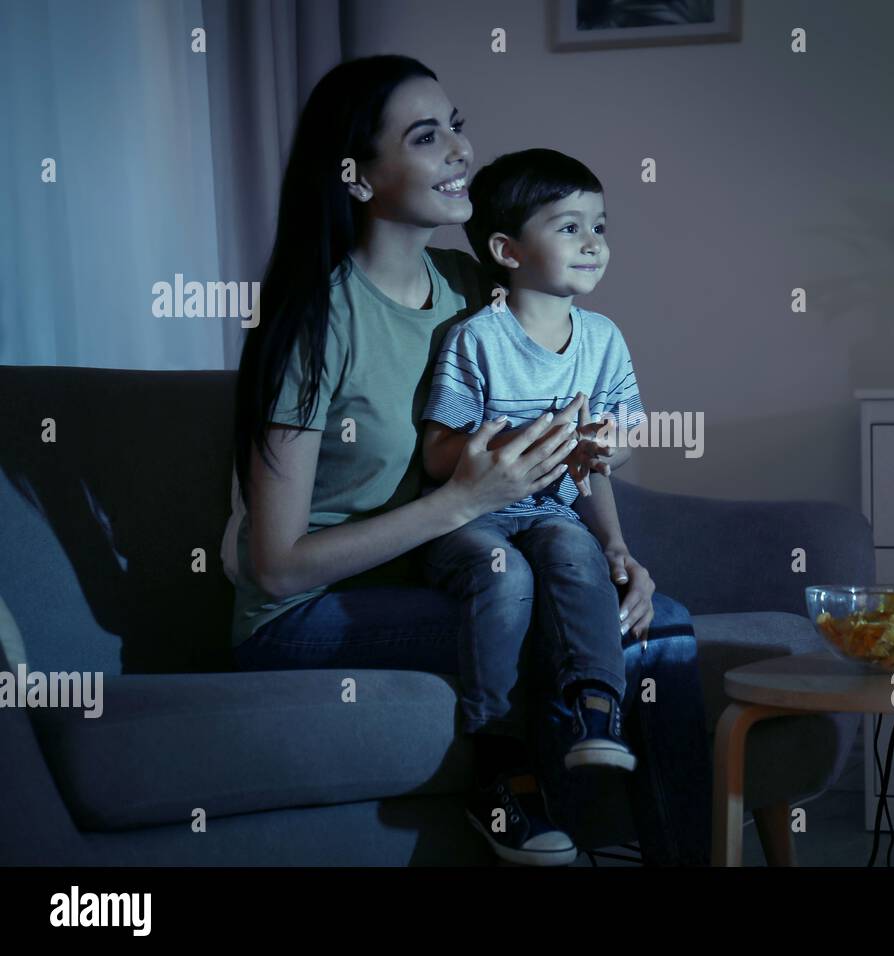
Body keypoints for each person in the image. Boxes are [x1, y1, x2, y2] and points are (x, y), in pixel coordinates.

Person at [223, 54, 710, 866]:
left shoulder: (471, 288)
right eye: (425, 136)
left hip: (451, 570)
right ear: (357, 176)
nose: (459, 150)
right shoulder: (312, 322)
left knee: (651, 621)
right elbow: (273, 569)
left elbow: (563, 436)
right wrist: (462, 503)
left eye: (456, 124)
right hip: (313, 611)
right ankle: (517, 786)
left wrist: (615, 554)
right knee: (548, 612)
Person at [419, 150, 646, 860]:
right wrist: (519, 444)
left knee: (571, 549)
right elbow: (435, 455)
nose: (592, 242)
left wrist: (613, 508)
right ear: (507, 250)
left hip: (550, 512)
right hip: (470, 515)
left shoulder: (603, 340)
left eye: (599, 226)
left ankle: (596, 718)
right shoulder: (475, 339)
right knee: (503, 572)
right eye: (569, 226)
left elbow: (600, 465)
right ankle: (498, 761)